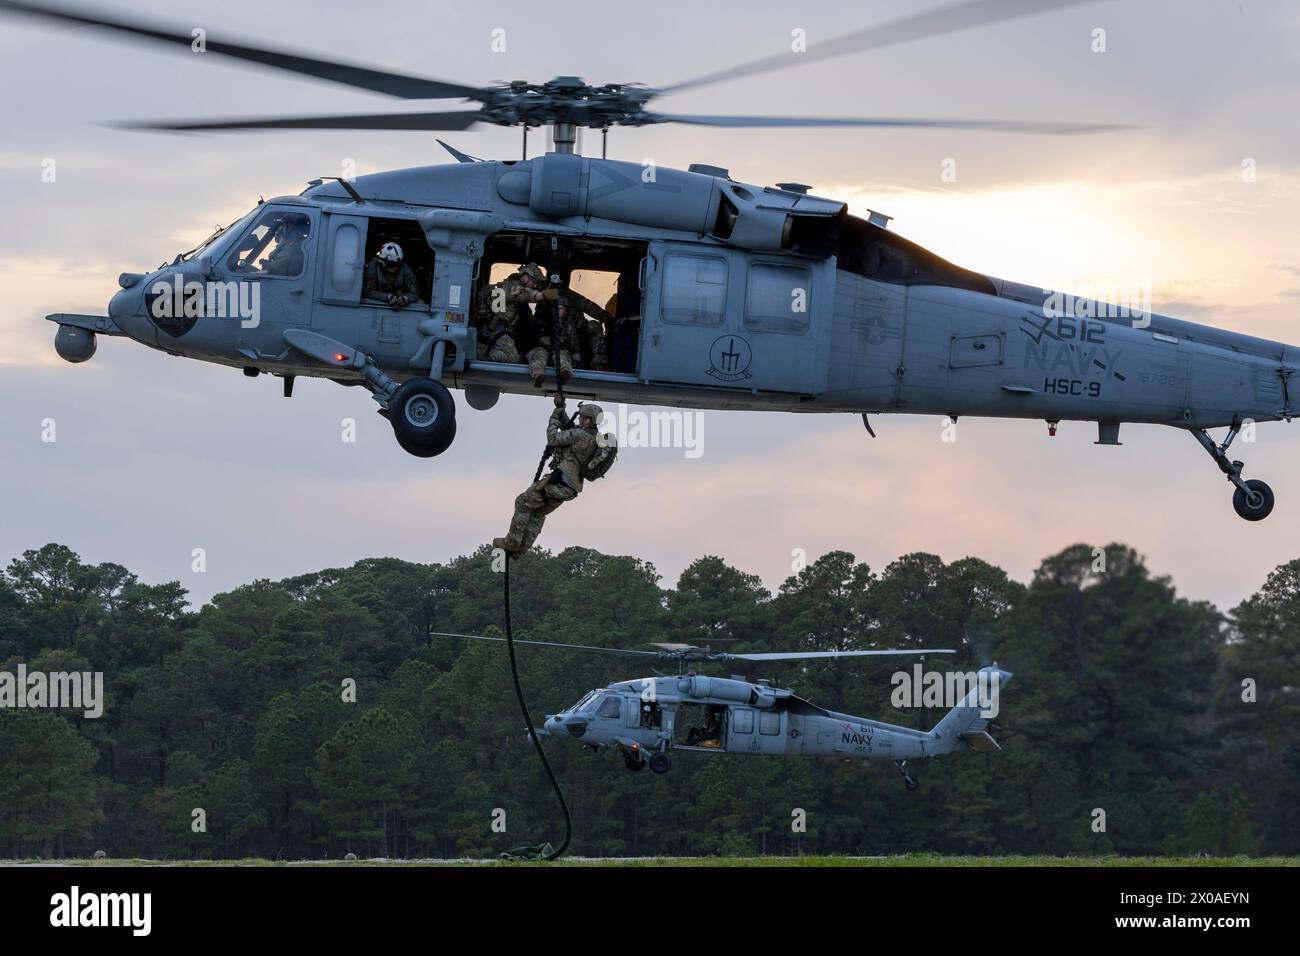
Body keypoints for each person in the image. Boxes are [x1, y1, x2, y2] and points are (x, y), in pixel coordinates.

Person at [494, 398, 604, 556]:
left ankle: (513, 541)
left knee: (523, 502)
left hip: (559, 482)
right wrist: (561, 410)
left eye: (582, 417)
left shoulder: (579, 435)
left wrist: (554, 419)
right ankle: (520, 549)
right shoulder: (593, 438)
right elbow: (570, 430)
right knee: (538, 512)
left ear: (588, 419)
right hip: (570, 488)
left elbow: (554, 439)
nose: (579, 419)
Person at [523, 278, 613, 385]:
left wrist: (607, 318)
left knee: (593, 326)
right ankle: (539, 371)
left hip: (573, 336)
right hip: (548, 339)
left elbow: (588, 306)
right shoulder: (541, 299)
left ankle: (599, 363)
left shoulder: (570, 298)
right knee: (540, 355)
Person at [472, 263, 552, 363]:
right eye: (534, 281)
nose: (535, 286)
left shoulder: (519, 298)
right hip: (491, 330)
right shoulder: (510, 286)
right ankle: (475, 351)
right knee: (513, 358)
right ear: (525, 277)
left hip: (502, 331)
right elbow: (519, 293)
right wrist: (539, 295)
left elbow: (528, 319)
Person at [363, 242, 422, 308]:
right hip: (377, 303)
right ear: (383, 263)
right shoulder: (372, 267)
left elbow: (415, 292)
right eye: (392, 265)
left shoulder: (404, 268)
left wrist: (405, 298)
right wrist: (387, 297)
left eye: (398, 264)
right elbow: (367, 291)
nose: (396, 268)